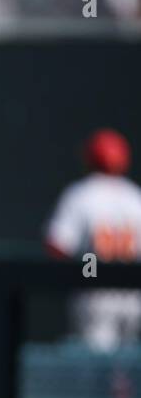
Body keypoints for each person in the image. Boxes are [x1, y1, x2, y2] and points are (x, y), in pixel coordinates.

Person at [45, 128, 141, 351]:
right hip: (133, 296)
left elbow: (57, 246)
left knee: (95, 373)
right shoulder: (136, 198)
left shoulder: (81, 195)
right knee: (127, 371)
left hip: (94, 297)